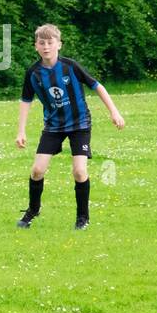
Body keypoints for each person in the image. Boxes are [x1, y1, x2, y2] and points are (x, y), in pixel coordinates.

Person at [15, 24, 125, 230]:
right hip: (53, 126)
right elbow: (25, 100)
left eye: (50, 42)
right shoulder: (34, 73)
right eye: (42, 43)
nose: (46, 46)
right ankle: (33, 210)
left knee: (79, 172)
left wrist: (114, 112)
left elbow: (97, 86)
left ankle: (82, 218)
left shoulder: (70, 67)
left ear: (59, 45)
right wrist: (21, 131)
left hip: (79, 124)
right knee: (37, 170)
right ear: (35, 47)